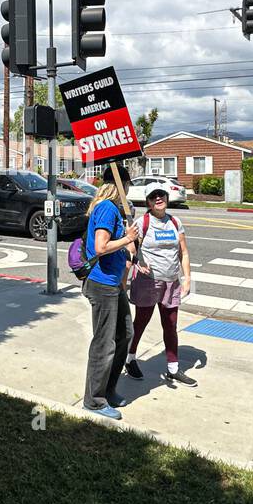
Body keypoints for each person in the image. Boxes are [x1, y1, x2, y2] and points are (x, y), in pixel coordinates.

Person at [80, 163, 138, 420]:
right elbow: (101, 246)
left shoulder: (113, 209)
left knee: (125, 333)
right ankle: (93, 400)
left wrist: (127, 246)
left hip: (113, 283)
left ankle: (108, 389)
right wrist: (127, 239)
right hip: (101, 284)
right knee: (104, 343)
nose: (128, 191)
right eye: (127, 186)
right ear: (120, 187)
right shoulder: (106, 208)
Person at [125, 187, 194, 385]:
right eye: (153, 197)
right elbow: (131, 247)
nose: (158, 199)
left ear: (166, 199)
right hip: (148, 282)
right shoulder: (142, 223)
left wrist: (187, 277)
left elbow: (184, 252)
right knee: (141, 322)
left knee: (170, 324)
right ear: (148, 202)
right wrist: (138, 262)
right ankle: (129, 359)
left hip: (171, 282)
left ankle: (173, 368)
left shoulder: (175, 222)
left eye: (161, 195)